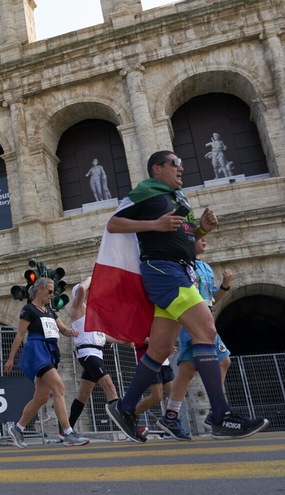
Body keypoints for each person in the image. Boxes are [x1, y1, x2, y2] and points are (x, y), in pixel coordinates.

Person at [101, 151, 268, 442]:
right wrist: (154, 225)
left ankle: (125, 407)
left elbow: (186, 242)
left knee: (161, 349)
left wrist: (202, 228)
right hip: (163, 271)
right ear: (157, 168)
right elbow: (113, 224)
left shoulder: (179, 199)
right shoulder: (146, 191)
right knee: (206, 331)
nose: (181, 168)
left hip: (179, 270)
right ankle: (220, 415)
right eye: (175, 164)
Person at [158, 237, 234, 440]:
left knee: (187, 369)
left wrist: (225, 286)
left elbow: (212, 299)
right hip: (193, 319)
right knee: (223, 361)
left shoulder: (206, 267)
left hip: (205, 317)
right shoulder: (183, 266)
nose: (205, 241)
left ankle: (170, 416)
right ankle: (216, 412)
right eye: (200, 238)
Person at [4, 278, 89, 448]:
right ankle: (67, 433)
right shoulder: (28, 309)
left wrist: (71, 332)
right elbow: (20, 334)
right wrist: (11, 358)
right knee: (59, 387)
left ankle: (17, 428)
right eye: (49, 291)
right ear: (40, 289)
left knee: (41, 398)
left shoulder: (49, 310)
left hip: (49, 352)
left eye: (53, 292)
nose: (52, 294)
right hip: (37, 351)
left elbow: (62, 329)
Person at [66, 278, 122, 430]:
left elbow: (102, 335)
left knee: (84, 394)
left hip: (96, 353)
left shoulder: (93, 313)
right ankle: (125, 424)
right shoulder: (78, 309)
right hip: (88, 353)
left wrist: (122, 341)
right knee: (109, 386)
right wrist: (92, 278)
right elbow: (81, 289)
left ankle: (66, 429)